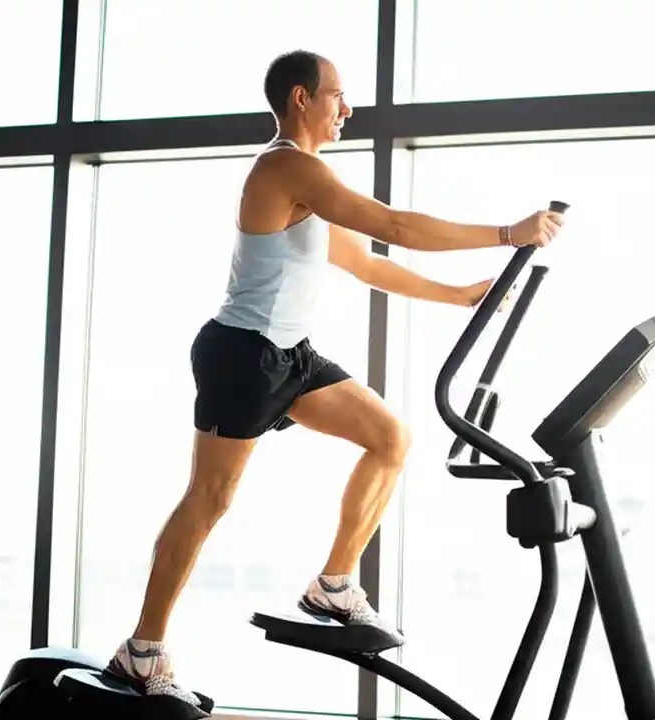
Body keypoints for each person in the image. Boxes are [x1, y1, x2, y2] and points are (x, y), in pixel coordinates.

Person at [104, 49, 565, 711]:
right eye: (337, 96)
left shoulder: (310, 186)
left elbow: (371, 262)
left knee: (389, 437)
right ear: (301, 98)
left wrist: (458, 295)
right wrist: (505, 232)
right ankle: (142, 652)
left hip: (290, 357)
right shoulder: (285, 165)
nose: (347, 108)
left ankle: (335, 585)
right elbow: (394, 225)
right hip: (242, 355)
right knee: (209, 499)